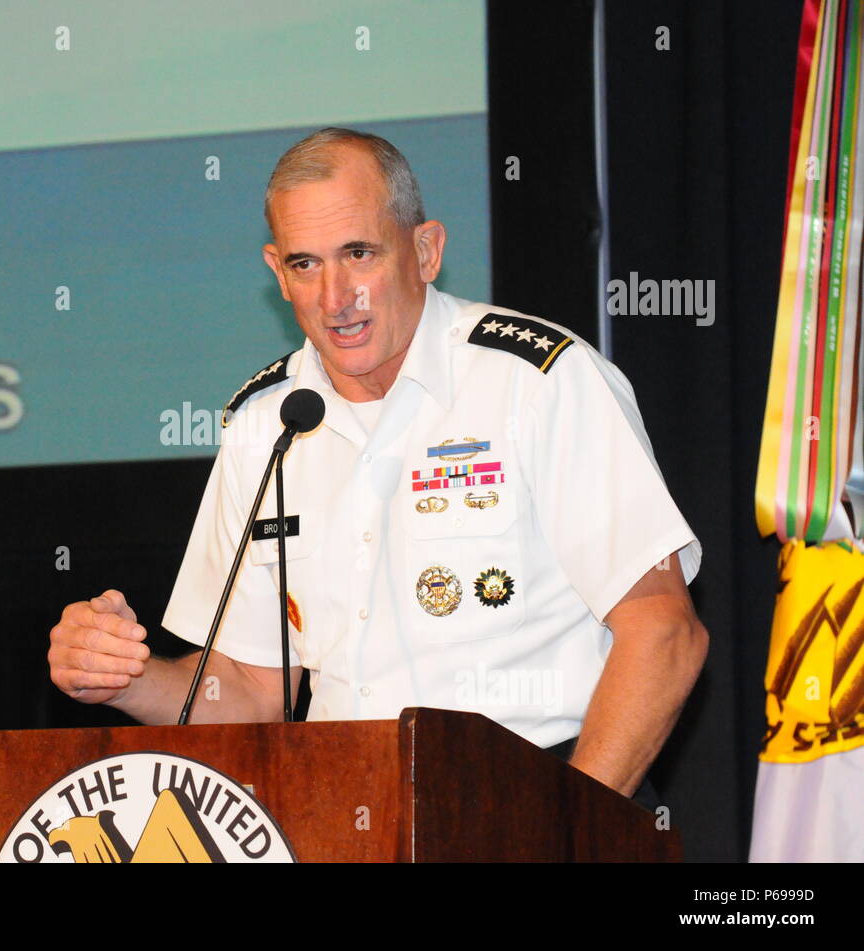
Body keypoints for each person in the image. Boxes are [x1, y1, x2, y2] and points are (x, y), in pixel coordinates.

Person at [47, 127, 708, 804]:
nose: (337, 297)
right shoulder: (264, 423)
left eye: (359, 254)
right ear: (277, 272)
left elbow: (663, 629)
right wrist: (127, 675)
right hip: (340, 812)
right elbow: (251, 690)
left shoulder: (538, 381)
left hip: (534, 793)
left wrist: (569, 829)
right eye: (306, 264)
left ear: (426, 251)